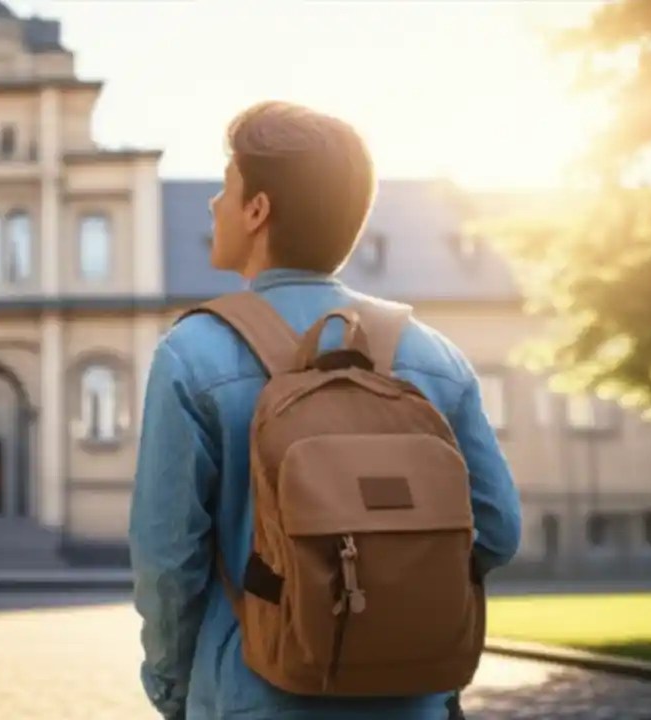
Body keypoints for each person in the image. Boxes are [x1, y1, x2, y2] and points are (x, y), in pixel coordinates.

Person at [128, 100, 522, 720]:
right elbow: (498, 530)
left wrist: (174, 689)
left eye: (225, 188)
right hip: (413, 701)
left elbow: (167, 560)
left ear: (258, 210)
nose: (212, 205)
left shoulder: (192, 355)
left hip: (250, 695)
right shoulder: (434, 356)